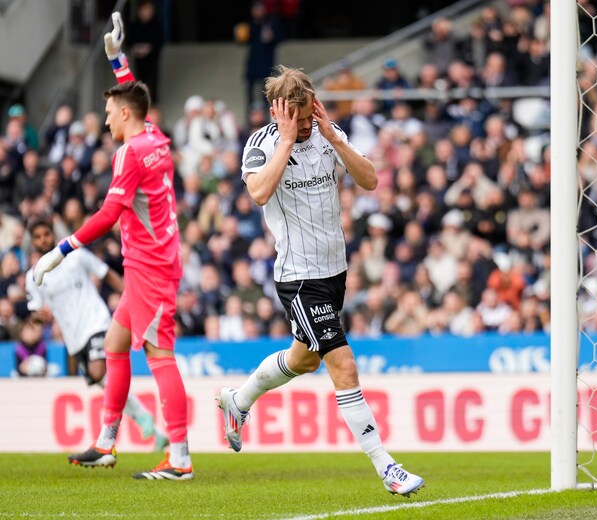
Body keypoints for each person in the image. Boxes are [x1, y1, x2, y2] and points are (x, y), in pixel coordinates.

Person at [217, 65, 424, 497]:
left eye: (310, 115)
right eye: (299, 118)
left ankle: (238, 401)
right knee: (342, 364)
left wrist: (331, 136)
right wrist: (287, 139)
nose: (307, 124)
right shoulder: (262, 144)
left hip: (334, 271)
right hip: (298, 276)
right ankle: (386, 467)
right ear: (281, 112)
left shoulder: (329, 134)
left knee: (305, 359)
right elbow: (257, 193)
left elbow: (370, 179)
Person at [32, 13, 192, 480]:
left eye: (109, 112)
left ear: (123, 116)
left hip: (151, 268)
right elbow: (135, 99)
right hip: (152, 263)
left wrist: (59, 250)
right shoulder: (155, 137)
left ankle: (179, 459)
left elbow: (107, 215)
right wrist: (117, 59)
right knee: (118, 347)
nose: (105, 119)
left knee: (160, 356)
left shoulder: (130, 152)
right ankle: (106, 442)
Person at [25, 218, 169, 450]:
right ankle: (147, 422)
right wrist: (39, 317)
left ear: (52, 234)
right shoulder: (34, 276)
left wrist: (133, 295)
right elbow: (34, 312)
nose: (43, 240)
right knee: (103, 381)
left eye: (46, 234)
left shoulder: (75, 256)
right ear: (32, 242)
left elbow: (106, 274)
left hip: (97, 322)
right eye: (38, 237)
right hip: (73, 339)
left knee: (98, 370)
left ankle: (113, 435)